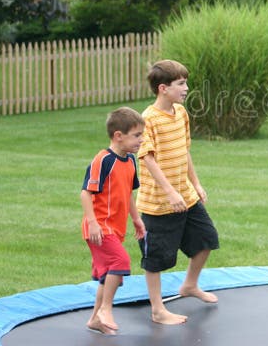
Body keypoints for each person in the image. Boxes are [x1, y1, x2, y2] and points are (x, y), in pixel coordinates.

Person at [137, 59, 220, 325]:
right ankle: (157, 310)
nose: (186, 88)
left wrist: (195, 183)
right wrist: (170, 192)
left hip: (186, 195)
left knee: (207, 239)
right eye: (181, 83)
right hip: (159, 203)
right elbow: (147, 158)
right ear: (163, 88)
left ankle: (190, 285)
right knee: (156, 258)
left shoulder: (181, 113)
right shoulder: (148, 119)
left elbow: (184, 151)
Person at [80, 106, 147, 335]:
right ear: (118, 135)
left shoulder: (130, 161)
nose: (141, 140)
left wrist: (136, 219)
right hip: (99, 226)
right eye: (136, 135)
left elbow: (127, 193)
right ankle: (106, 309)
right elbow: (86, 193)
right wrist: (92, 223)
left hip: (115, 228)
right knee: (121, 262)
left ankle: (94, 319)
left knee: (109, 277)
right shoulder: (103, 160)